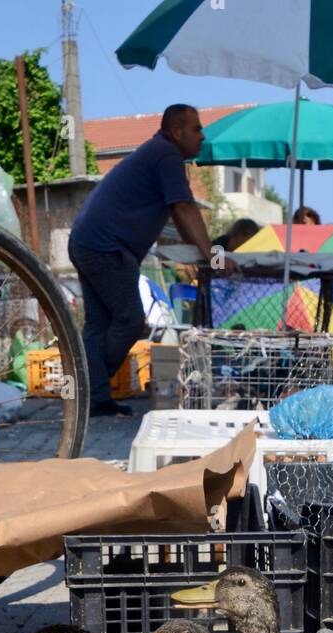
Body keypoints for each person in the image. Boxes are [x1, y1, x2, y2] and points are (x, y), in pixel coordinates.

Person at [68, 104, 235, 417]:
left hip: (86, 240)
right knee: (130, 320)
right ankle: (89, 386)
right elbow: (185, 209)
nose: (202, 135)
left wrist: (206, 249)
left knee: (99, 325)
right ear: (176, 131)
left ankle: (91, 396)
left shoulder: (158, 153)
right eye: (196, 128)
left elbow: (181, 214)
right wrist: (212, 254)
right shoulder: (167, 155)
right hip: (105, 247)